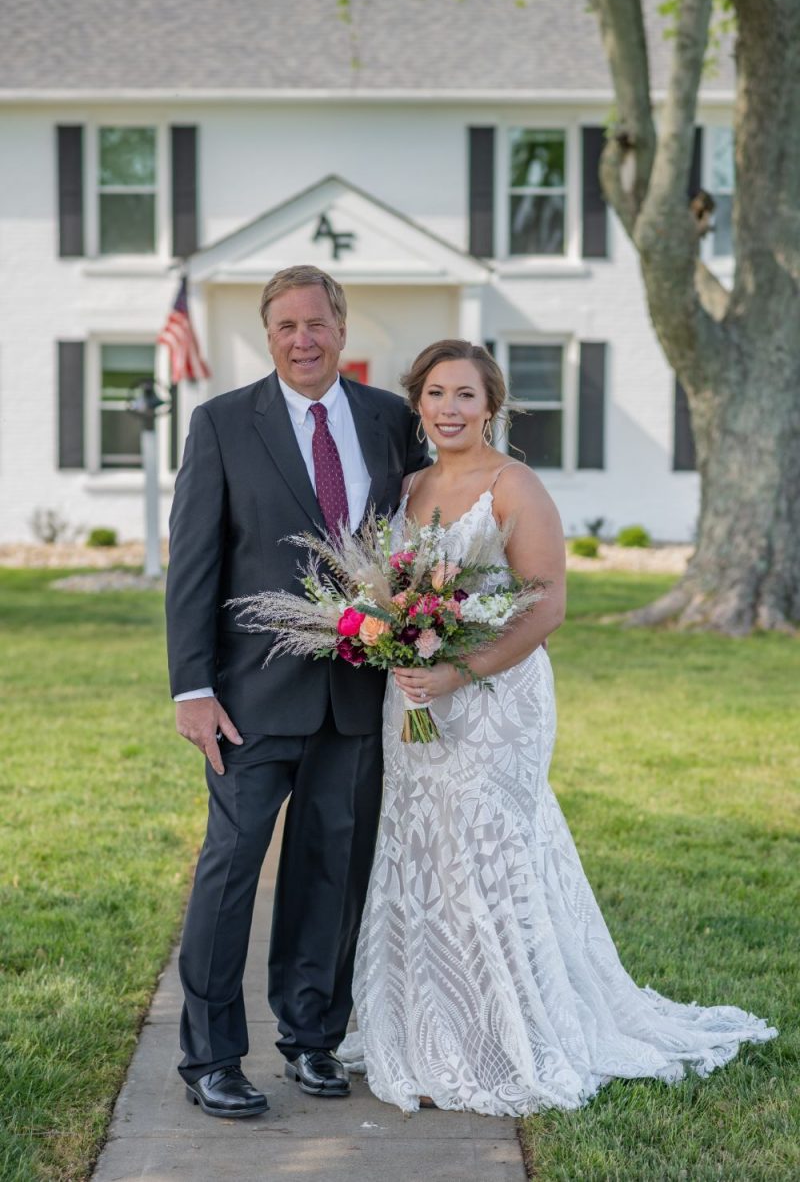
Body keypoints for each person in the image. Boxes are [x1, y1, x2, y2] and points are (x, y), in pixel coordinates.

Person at [338, 339, 776, 1115]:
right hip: (412, 700)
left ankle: (512, 1030)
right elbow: (390, 590)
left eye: (466, 395)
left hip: (494, 701)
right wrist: (395, 645)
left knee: (491, 849)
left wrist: (455, 671)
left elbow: (547, 605)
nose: (449, 408)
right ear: (417, 403)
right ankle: (433, 1025)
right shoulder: (405, 488)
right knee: (424, 849)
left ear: (491, 406)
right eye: (436, 393)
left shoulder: (516, 487)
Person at [165, 265, 429, 1118]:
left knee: (332, 870)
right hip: (247, 697)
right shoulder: (220, 424)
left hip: (356, 695)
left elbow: (420, 543)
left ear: (341, 329)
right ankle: (210, 1055)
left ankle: (311, 1037)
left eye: (317, 323)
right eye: (286, 326)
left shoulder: (390, 420)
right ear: (267, 334)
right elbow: (194, 566)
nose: (303, 339)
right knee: (231, 867)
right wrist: (193, 687)